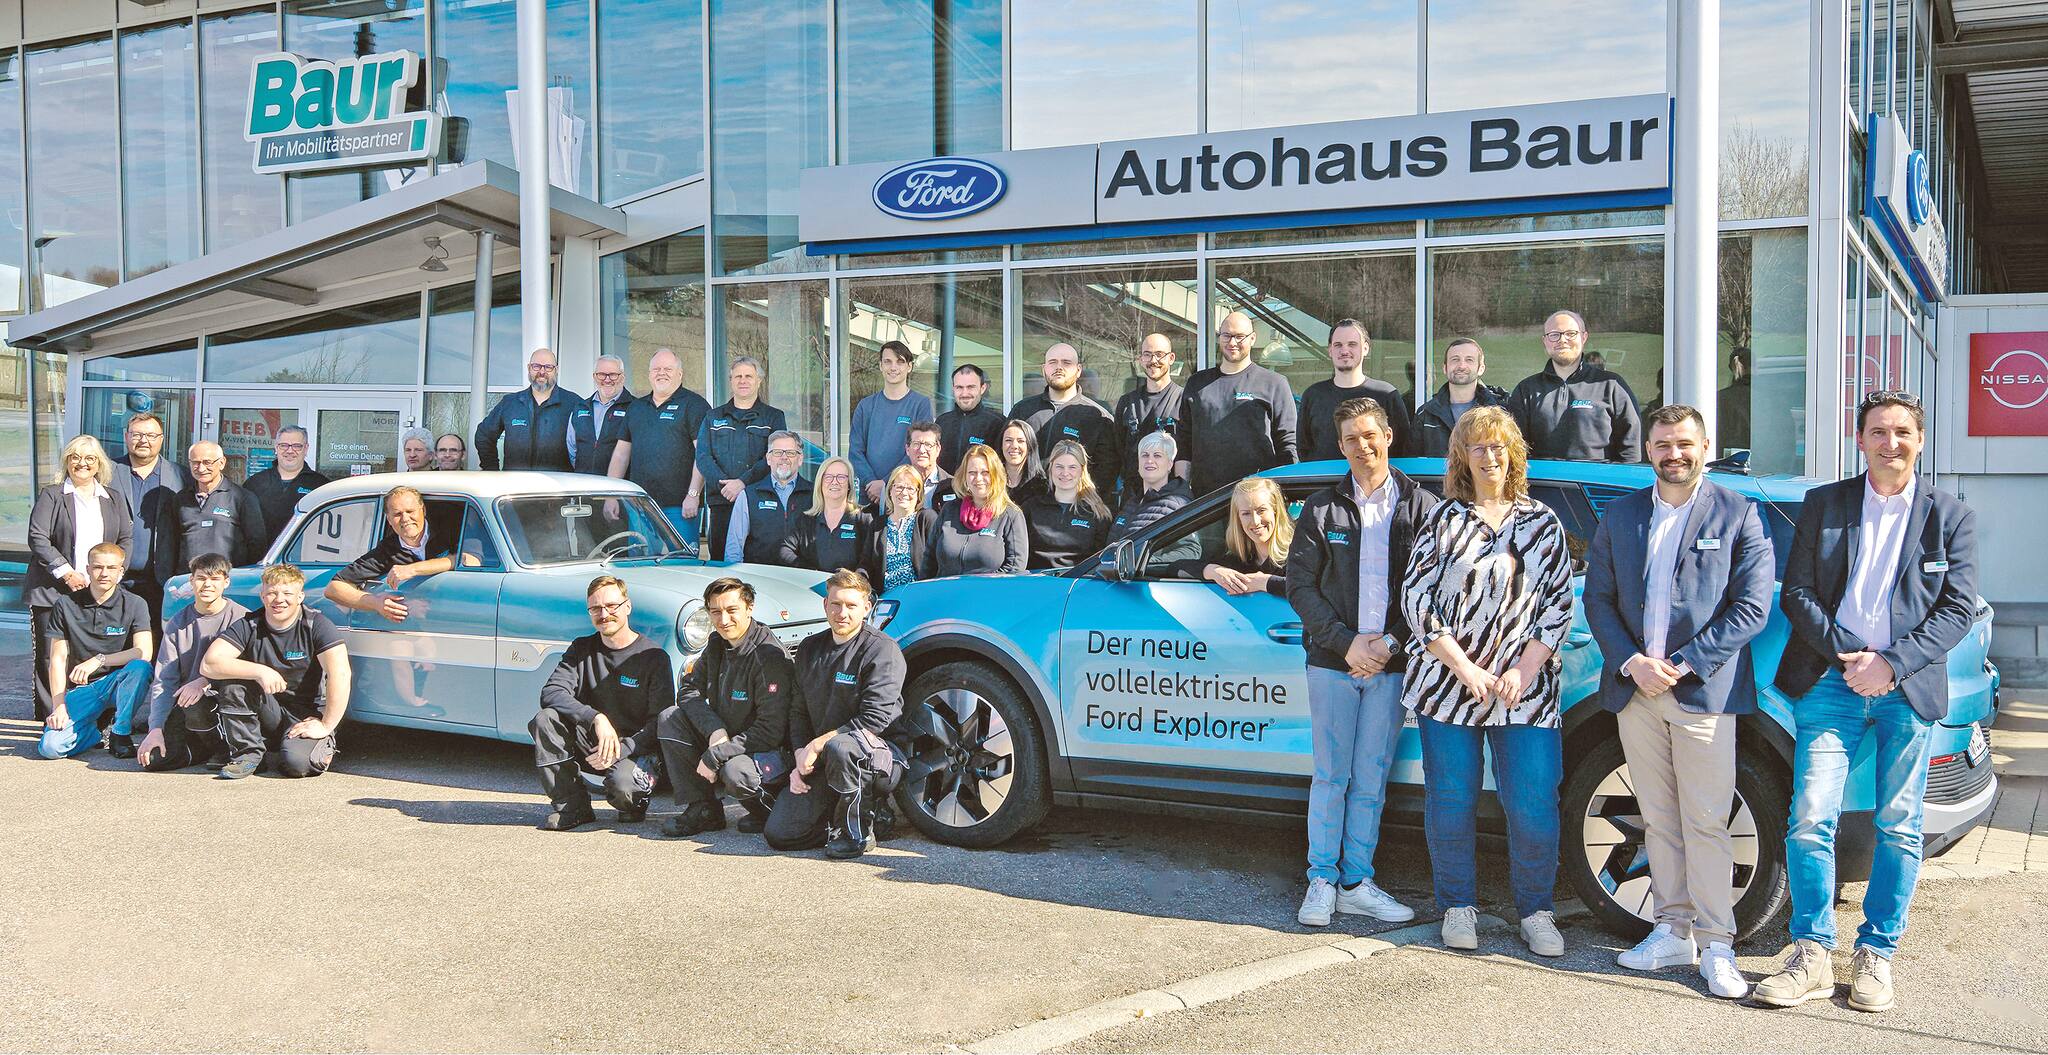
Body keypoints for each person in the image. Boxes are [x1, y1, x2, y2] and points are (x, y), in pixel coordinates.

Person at [1754, 391, 1979, 1015]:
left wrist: (1892, 662)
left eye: (1902, 431)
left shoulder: (1950, 516)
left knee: (1899, 826)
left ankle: (1877, 951)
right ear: (1861, 440)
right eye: (1878, 431)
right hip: (1830, 681)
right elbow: (1797, 593)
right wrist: (1852, 655)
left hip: (1908, 689)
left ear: (1920, 439)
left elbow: (1956, 608)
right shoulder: (1825, 504)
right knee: (1810, 817)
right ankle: (1812, 952)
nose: (1890, 442)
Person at [1583, 405, 1774, 999]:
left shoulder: (1739, 512)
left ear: (1704, 446)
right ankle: (1673, 929)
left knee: (1707, 821)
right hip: (1636, 690)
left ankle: (1718, 944)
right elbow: (1599, 599)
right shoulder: (1623, 514)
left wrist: (1683, 663)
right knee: (1659, 818)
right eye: (1663, 444)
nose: (1674, 454)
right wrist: (1633, 661)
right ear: (1649, 450)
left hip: (1702, 693)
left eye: (1684, 443)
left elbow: (1752, 607)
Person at [1399, 407, 1575, 957]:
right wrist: (1467, 669)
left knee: (1533, 805)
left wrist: (1521, 670)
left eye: (1499, 446)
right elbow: (1415, 600)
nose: (1490, 456)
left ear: (1514, 454)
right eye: (1478, 447)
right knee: (1451, 801)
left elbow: (1558, 607)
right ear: (1462, 457)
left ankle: (1537, 911)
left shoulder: (1543, 523)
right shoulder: (1443, 520)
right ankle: (1457, 907)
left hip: (1526, 691)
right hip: (1448, 686)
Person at [1285, 397, 1439, 927]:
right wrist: (1346, 642)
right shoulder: (1321, 509)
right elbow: (1301, 587)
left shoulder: (1423, 507)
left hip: (1393, 665)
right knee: (1331, 775)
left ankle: (1357, 880)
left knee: (1370, 777)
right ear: (1341, 445)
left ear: (1389, 435)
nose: (1361, 445)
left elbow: (1430, 588)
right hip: (1331, 661)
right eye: (1351, 438)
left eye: (1369, 434)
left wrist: (1389, 644)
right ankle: (1322, 879)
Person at [764, 568, 911, 859]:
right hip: (825, 758)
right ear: (825, 605)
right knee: (780, 834)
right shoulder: (810, 648)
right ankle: (842, 819)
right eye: (836, 604)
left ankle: (858, 831)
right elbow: (798, 710)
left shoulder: (882, 650)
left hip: (881, 757)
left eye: (851, 605)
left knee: (842, 746)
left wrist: (816, 745)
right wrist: (798, 757)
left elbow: (874, 720)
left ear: (867, 608)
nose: (842, 612)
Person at [527, 575, 672, 830]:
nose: (604, 614)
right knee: (546, 719)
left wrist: (621, 749)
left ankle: (634, 799)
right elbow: (551, 692)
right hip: (593, 745)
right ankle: (572, 807)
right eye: (595, 608)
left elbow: (660, 722)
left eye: (611, 606)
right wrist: (596, 717)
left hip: (635, 749)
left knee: (625, 792)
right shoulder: (581, 649)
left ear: (627, 606)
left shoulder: (654, 658)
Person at [657, 576, 796, 837]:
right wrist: (714, 730)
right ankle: (703, 809)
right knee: (670, 718)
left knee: (736, 772)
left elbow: (771, 731)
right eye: (715, 612)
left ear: (749, 608)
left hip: (767, 750)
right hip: (728, 738)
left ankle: (770, 810)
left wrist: (717, 754)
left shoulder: (768, 656)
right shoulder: (716, 644)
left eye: (732, 610)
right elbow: (688, 690)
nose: (723, 620)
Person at [200, 563, 351, 780]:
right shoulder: (249, 625)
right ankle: (248, 755)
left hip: (305, 713)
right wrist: (260, 671)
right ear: (262, 596)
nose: (279, 599)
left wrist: (326, 725)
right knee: (234, 683)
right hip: (268, 709)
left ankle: (311, 745)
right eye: (271, 593)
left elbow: (341, 674)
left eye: (287, 593)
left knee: (297, 765)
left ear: (300, 596)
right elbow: (209, 664)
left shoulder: (316, 625)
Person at [28, 435, 133, 721]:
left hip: (97, 591)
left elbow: (125, 538)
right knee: (52, 657)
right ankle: (52, 717)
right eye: (75, 457)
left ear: (99, 464)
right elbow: (38, 538)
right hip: (54, 590)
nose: (82, 463)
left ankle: (90, 717)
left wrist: (110, 575)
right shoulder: (52, 495)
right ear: (67, 462)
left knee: (92, 653)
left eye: (89, 458)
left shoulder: (113, 498)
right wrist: (67, 573)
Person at [37, 542, 154, 759]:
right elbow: (57, 659)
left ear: (121, 572)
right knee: (50, 748)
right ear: (88, 569)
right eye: (98, 567)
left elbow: (143, 651)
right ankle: (94, 733)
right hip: (81, 691)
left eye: (111, 568)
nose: (104, 573)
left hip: (117, 684)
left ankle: (120, 733)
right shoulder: (65, 604)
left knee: (140, 668)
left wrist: (99, 660)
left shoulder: (135, 603)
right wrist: (58, 706)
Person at [138, 554, 249, 772]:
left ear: (226, 582)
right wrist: (155, 728)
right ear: (191, 581)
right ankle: (200, 749)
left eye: (215, 579)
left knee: (196, 705)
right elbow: (164, 679)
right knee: (153, 760)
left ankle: (225, 747)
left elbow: (246, 667)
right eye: (201, 578)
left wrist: (204, 681)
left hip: (226, 700)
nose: (207, 584)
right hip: (186, 702)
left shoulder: (241, 617)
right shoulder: (178, 622)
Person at [1183, 311, 1298, 497]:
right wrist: (1181, 490)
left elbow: (1287, 443)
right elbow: (1184, 442)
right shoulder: (1197, 384)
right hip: (1204, 503)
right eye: (1226, 335)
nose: (1232, 342)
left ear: (1253, 338)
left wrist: (1288, 494)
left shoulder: (1274, 383)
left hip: (1256, 500)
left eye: (1239, 336)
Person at [1505, 310, 1643, 463]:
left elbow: (1630, 451)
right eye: (1554, 334)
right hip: (1542, 484)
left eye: (1570, 333)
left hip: (1595, 484)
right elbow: (1514, 450)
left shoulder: (1611, 386)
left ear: (1584, 337)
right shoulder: (1526, 391)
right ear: (1545, 341)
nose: (1562, 340)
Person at [608, 347, 712, 541]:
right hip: (640, 504)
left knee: (681, 566)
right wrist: (611, 495)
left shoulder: (695, 405)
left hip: (680, 507)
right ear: (649, 375)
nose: (661, 373)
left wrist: (693, 494)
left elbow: (703, 454)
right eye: (656, 369)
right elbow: (621, 454)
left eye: (667, 369)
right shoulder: (636, 408)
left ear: (679, 374)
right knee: (641, 563)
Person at [697, 355, 787, 560]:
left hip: (759, 500)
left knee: (758, 559)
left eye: (748, 376)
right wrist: (726, 487)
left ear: (759, 381)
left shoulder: (773, 417)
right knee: (721, 561)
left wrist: (743, 483)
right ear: (731, 381)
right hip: (722, 502)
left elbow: (774, 456)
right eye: (738, 376)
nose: (743, 380)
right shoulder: (713, 417)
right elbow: (703, 456)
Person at [322, 486, 456, 623]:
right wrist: (377, 603)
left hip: (456, 613)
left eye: (410, 511)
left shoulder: (448, 529)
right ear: (389, 520)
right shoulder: (386, 550)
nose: (405, 518)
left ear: (423, 510)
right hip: (413, 623)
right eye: (397, 514)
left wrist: (413, 569)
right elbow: (333, 588)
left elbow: (470, 559)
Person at [107, 411, 188, 630]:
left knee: (155, 643)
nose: (144, 441)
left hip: (160, 580)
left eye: (151, 435)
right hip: (116, 578)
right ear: (126, 437)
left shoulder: (181, 476)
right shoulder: (106, 473)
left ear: (161, 439)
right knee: (114, 641)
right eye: (137, 435)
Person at [1299, 319, 1413, 462]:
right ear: (1330, 350)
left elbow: (1403, 448)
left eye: (1352, 344)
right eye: (1338, 345)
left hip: (1374, 483)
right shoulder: (1313, 395)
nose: (1344, 351)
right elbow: (1303, 449)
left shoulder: (1386, 395)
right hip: (1322, 482)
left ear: (1365, 348)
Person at [157, 441, 266, 589]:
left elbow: (257, 545)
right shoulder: (180, 499)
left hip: (227, 585)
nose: (201, 468)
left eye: (207, 462)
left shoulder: (242, 498)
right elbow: (169, 545)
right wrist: (167, 583)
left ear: (221, 463)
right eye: (195, 463)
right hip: (187, 585)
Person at [1010, 343, 1118, 482]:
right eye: (1052, 362)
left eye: (1066, 362)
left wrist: (1084, 500)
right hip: (1025, 501)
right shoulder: (1022, 410)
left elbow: (1107, 470)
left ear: (1078, 370)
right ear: (1044, 369)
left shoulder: (1098, 417)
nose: (1059, 367)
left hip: (1075, 502)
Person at [850, 340, 935, 504]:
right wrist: (871, 483)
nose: (893, 367)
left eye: (900, 361)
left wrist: (887, 482)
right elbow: (855, 451)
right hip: (868, 495)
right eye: (887, 362)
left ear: (909, 366)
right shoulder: (866, 406)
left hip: (904, 493)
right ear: (880, 366)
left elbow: (918, 450)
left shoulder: (920, 404)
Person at [926, 444, 1028, 576]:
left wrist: (979, 587)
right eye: (972, 473)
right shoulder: (949, 510)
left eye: (985, 473)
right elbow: (929, 559)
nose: (978, 478)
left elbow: (1015, 567)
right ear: (965, 477)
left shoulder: (1011, 515)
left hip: (988, 594)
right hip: (946, 593)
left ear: (996, 475)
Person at [1179, 477, 1290, 596]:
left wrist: (1264, 582)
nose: (1255, 521)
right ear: (1238, 519)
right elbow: (1175, 567)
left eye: (1261, 510)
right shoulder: (1239, 560)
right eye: (1246, 513)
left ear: (1276, 511)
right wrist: (1213, 571)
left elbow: (1309, 589)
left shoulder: (1299, 554)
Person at [475, 348, 582, 471]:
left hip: (558, 486)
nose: (542, 372)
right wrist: (492, 470)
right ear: (528, 368)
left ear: (556, 370)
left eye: (548, 367)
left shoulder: (574, 404)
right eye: (536, 366)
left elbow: (587, 445)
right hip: (516, 486)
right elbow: (484, 435)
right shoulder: (510, 403)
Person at [1112, 333, 1187, 500]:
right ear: (1140, 359)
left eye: (1159, 354)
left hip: (1171, 498)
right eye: (1147, 354)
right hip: (1132, 498)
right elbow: (1117, 452)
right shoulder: (1127, 403)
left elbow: (1190, 453)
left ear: (1171, 358)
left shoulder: (1183, 401)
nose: (1153, 360)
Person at [1020, 439, 1113, 570]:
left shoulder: (1097, 513)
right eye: (1059, 466)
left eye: (1072, 467)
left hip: (1077, 585)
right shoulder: (1031, 508)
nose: (1065, 473)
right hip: (1038, 582)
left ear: (1082, 471)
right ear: (1051, 468)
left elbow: (1101, 562)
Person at [723, 431, 813, 564]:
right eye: (777, 452)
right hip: (759, 578)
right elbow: (734, 549)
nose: (784, 457)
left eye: (790, 453)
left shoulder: (816, 495)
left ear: (800, 459)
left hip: (803, 578)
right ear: (768, 459)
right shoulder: (748, 496)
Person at [242, 426, 331, 554]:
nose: (290, 451)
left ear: (306, 449)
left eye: (296, 446)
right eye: (284, 445)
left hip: (303, 562)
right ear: (276, 448)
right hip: (260, 563)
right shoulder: (254, 483)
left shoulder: (321, 486)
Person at [779, 456, 875, 574]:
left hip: (851, 589)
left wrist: (854, 581)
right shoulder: (805, 519)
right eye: (828, 477)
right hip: (812, 588)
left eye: (841, 477)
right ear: (820, 482)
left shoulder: (863, 518)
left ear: (849, 484)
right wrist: (810, 571)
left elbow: (869, 559)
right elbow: (785, 550)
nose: (835, 482)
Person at [1414, 339, 1508, 458]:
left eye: (1469, 360)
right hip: (1440, 477)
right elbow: (1413, 463)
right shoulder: (1426, 414)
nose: (1461, 366)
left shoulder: (1500, 411)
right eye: (1455, 360)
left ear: (1481, 369)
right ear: (1445, 368)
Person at [1109, 430, 1193, 544]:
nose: (1149, 460)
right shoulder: (1131, 503)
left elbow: (1190, 550)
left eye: (1157, 455)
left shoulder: (1178, 505)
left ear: (1170, 464)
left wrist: (1148, 562)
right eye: (1145, 455)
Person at [568, 355, 637, 476]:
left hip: (621, 486)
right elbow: (571, 449)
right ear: (594, 376)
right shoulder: (580, 408)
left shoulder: (635, 408)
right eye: (601, 374)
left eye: (613, 374)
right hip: (585, 483)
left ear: (623, 377)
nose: (607, 379)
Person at [870, 464, 933, 591]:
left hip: (918, 595)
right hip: (885, 598)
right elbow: (866, 564)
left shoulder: (926, 519)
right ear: (890, 491)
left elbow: (937, 561)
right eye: (899, 487)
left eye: (910, 488)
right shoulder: (878, 525)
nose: (904, 493)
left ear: (919, 494)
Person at [936, 364, 1006, 477]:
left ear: (982, 388)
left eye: (970, 387)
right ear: (953, 388)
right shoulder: (942, 422)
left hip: (980, 491)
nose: (964, 393)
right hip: (944, 491)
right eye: (959, 387)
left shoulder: (997, 423)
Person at [904, 421, 956, 510]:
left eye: (928, 445)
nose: (922, 450)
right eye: (916, 444)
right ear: (907, 449)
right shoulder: (895, 485)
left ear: (938, 449)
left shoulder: (953, 486)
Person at [995, 419, 1045, 504]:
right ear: (1001, 445)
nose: (1014, 446)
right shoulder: (991, 481)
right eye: (1008, 440)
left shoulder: (1041, 486)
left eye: (1020, 441)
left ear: (1029, 446)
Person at [1718, 348, 1753, 454]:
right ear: (1755, 366)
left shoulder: (1720, 397)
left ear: (1730, 367)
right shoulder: (1764, 398)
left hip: (1724, 459)